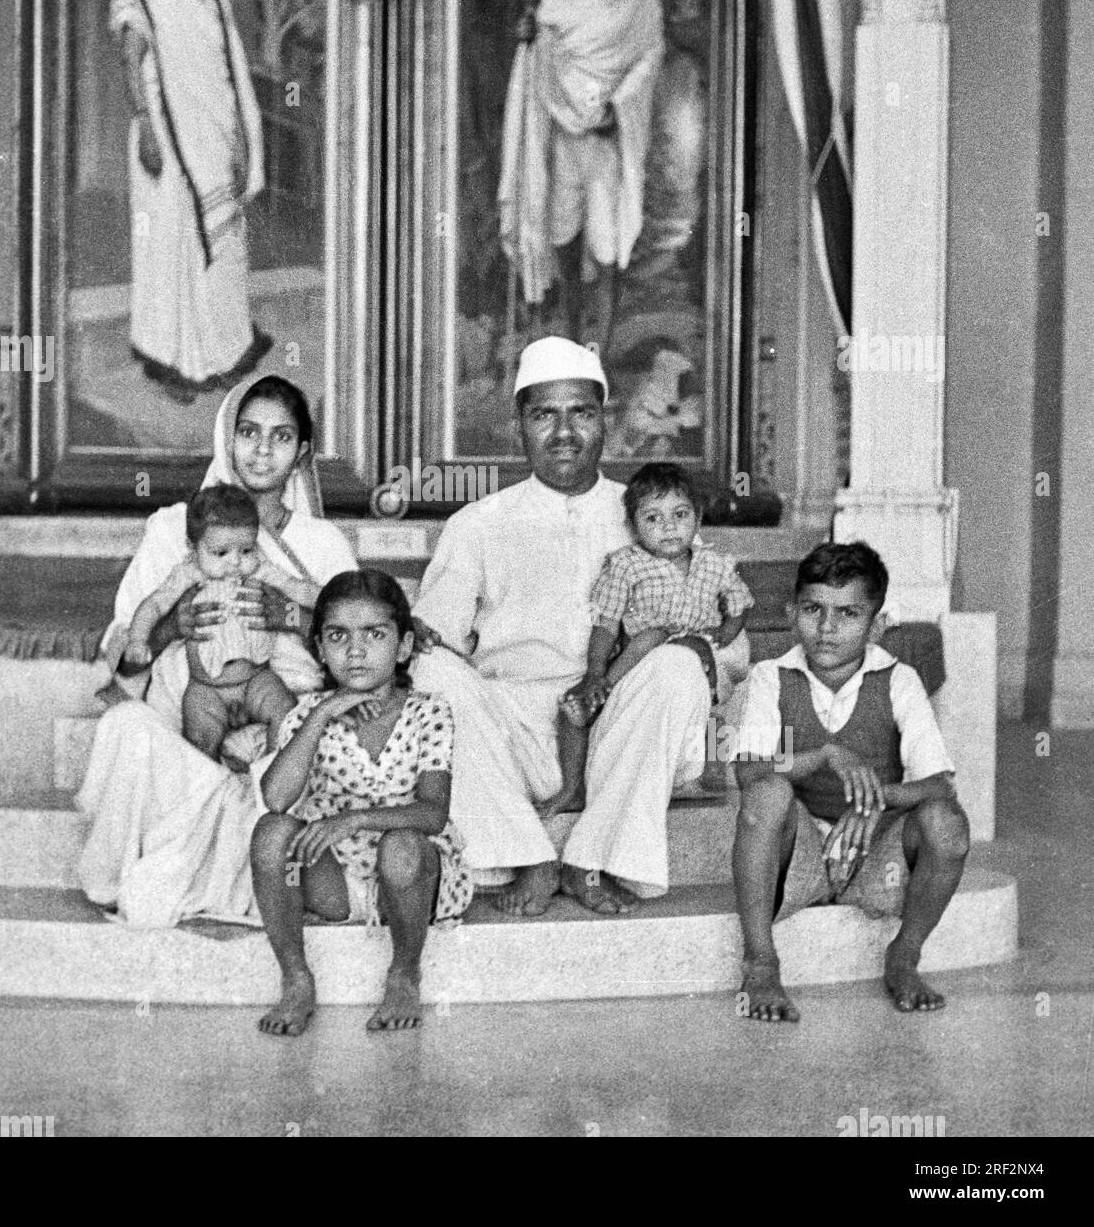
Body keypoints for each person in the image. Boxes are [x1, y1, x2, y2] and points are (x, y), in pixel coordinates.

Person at [412, 336, 714, 917]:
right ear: (520, 426)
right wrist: (418, 636)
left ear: (605, 419)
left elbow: (724, 642)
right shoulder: (478, 524)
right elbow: (436, 636)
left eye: (581, 412)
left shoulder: (653, 513)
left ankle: (592, 855)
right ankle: (529, 855)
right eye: (544, 415)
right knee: (428, 670)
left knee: (678, 665)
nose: (564, 432)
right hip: (511, 732)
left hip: (617, 727)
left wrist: (693, 650)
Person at [76, 376, 358, 928]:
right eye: (248, 432)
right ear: (226, 439)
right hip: (189, 734)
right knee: (123, 730)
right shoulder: (170, 531)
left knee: (286, 768)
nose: (261, 449)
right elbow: (123, 658)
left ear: (301, 454)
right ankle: (149, 864)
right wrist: (169, 630)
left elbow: (359, 657)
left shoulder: (325, 544)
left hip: (283, 744)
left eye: (280, 437)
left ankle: (232, 849)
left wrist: (293, 620)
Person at [731, 542, 971, 1023]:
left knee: (947, 825)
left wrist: (875, 800)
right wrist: (824, 754)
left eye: (848, 613)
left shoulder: (899, 679)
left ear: (876, 625)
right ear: (790, 613)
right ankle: (761, 963)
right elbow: (748, 771)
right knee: (768, 792)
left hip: (874, 855)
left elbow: (939, 784)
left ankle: (903, 956)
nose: (827, 627)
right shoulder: (769, 677)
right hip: (798, 859)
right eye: (813, 609)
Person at [252, 571, 472, 1037]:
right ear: (320, 649)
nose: (355, 651)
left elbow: (433, 812)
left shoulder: (428, 710)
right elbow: (275, 798)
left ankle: (404, 973)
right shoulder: (307, 713)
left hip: (410, 880)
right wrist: (323, 713)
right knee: (271, 831)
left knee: (402, 846)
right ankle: (296, 979)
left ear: (405, 646)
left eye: (375, 634)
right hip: (336, 880)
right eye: (337, 636)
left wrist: (353, 820)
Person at [499, 0, 664, 352]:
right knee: (563, 236)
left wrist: (621, 103)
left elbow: (650, 49)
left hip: (610, 131)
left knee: (609, 245)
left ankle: (605, 354)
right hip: (564, 130)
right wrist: (530, 37)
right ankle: (572, 341)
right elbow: (551, 44)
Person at [110, 0, 269, 401]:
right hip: (168, 146)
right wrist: (147, 128)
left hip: (214, 146)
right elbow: (133, 64)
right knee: (173, 252)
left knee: (222, 252)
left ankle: (221, 353)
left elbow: (229, 83)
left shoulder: (211, 6)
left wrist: (241, 140)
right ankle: (172, 364)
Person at [560, 462, 754, 788]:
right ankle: (601, 690)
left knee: (700, 668)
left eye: (680, 515)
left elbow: (740, 604)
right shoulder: (627, 565)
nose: (668, 527)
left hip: (703, 652)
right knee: (652, 636)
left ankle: (710, 769)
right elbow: (606, 623)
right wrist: (594, 669)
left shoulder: (714, 564)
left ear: (698, 518)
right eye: (653, 518)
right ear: (634, 526)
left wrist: (727, 632)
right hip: (644, 657)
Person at [122, 484, 315, 768]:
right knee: (200, 743)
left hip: (256, 679)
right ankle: (209, 791)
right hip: (206, 688)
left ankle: (272, 776)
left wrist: (327, 596)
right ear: (193, 547)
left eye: (246, 549)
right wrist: (138, 640)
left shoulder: (259, 569)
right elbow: (155, 605)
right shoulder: (188, 573)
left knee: (285, 713)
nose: (235, 562)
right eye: (221, 553)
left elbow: (297, 589)